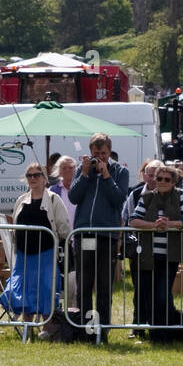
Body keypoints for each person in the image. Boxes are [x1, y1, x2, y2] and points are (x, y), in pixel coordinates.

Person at [68, 132, 131, 342]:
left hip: (107, 236)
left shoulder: (120, 171)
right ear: (90, 152)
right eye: (96, 153)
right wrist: (85, 175)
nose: (100, 157)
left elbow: (119, 199)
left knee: (104, 286)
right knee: (83, 284)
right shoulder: (82, 169)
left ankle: (102, 331)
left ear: (109, 152)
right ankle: (85, 330)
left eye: (103, 153)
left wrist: (105, 176)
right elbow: (73, 197)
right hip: (84, 234)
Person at [128, 162, 183, 342]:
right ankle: (155, 334)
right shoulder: (146, 197)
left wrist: (170, 224)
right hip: (148, 256)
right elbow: (133, 220)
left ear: (174, 182)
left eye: (167, 179)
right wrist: (153, 226)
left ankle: (165, 333)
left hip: (169, 257)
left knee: (163, 295)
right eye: (159, 178)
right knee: (149, 295)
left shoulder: (180, 196)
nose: (162, 181)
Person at [6, 161, 71, 323]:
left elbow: (64, 228)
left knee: (46, 289)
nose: (33, 178)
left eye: (37, 175)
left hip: (46, 253)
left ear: (44, 178)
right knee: (25, 290)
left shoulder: (54, 199)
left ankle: (47, 327)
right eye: (29, 175)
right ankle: (27, 327)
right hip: (24, 254)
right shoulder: (21, 200)